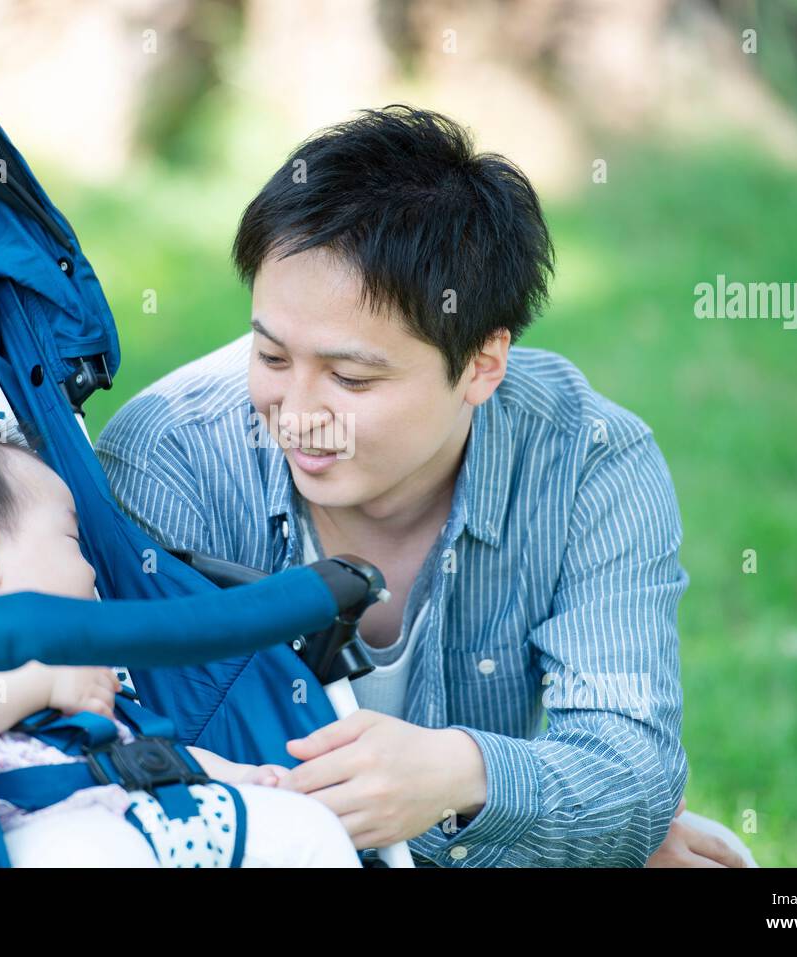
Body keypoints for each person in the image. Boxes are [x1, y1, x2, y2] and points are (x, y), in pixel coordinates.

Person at [97, 105, 757, 867]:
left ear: (482, 363)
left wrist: (459, 774)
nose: (299, 415)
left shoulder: (589, 461)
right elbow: (140, 758)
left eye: (349, 377)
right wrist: (562, 818)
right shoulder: (171, 457)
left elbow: (632, 769)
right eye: (272, 357)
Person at [0, 415, 361, 868]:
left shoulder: (80, 675)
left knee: (306, 829)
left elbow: (147, 749)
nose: (91, 572)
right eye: (72, 541)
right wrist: (42, 682)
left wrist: (241, 776)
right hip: (34, 836)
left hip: (154, 816)